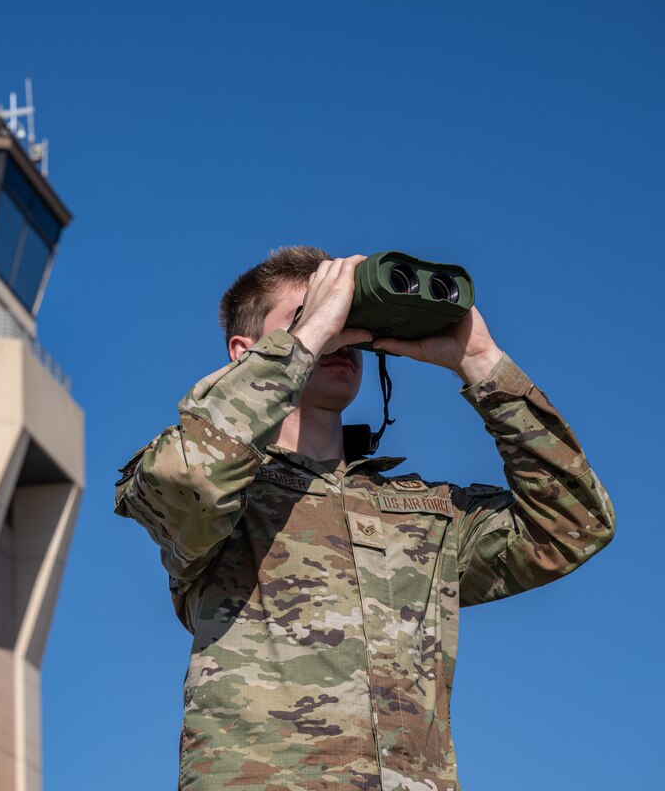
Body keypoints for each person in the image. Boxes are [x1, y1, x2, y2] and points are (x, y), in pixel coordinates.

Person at [113, 246, 615, 791]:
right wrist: (306, 339)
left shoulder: (423, 515)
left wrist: (481, 361)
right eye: (312, 315)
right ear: (245, 351)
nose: (339, 335)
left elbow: (575, 524)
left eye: (349, 318)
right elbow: (187, 479)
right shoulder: (224, 495)